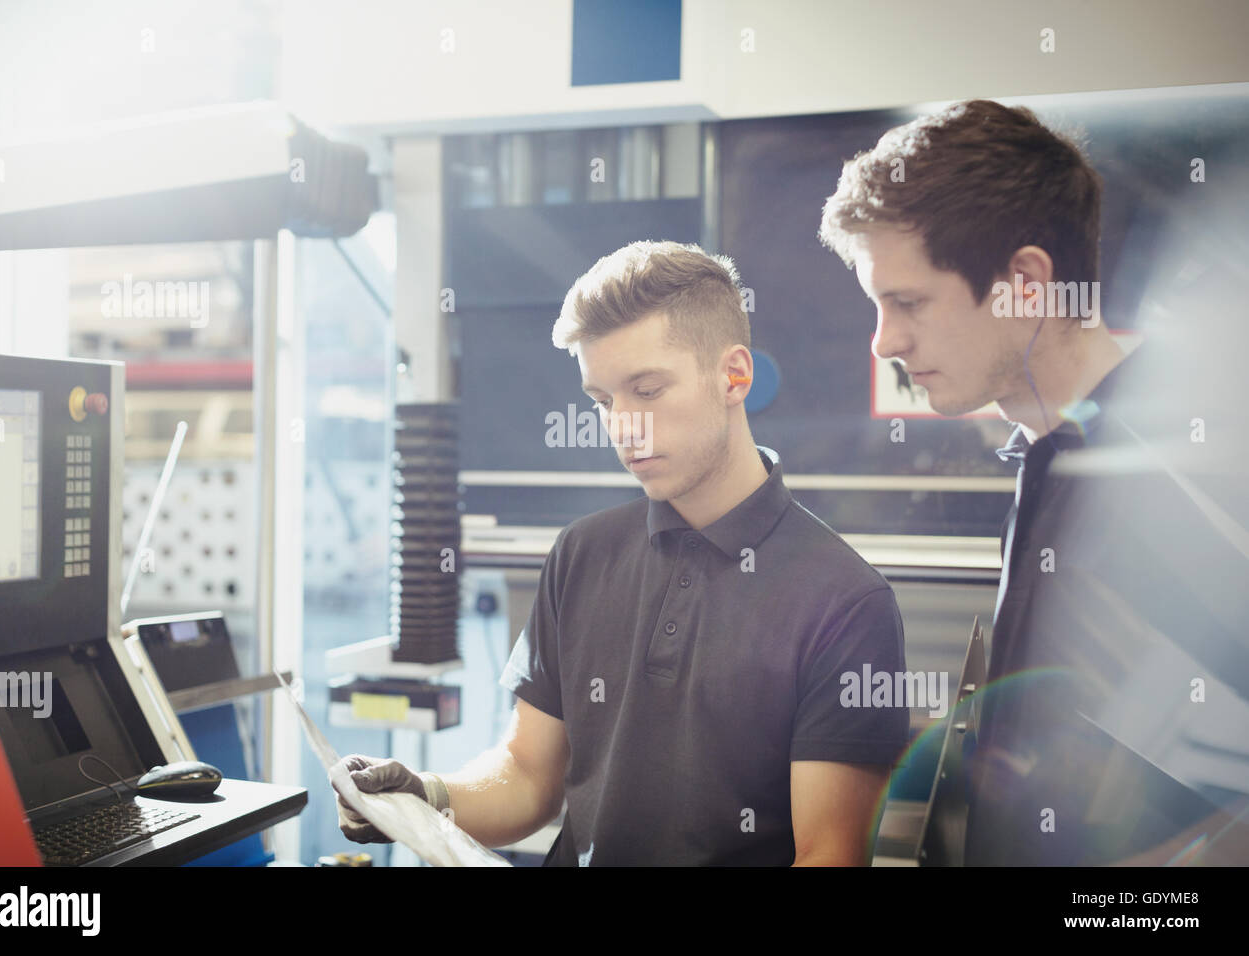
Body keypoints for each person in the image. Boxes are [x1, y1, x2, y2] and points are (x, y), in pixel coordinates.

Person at [335, 240, 911, 865]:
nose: (623, 428)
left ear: (734, 375)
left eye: (647, 389)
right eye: (604, 401)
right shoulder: (581, 554)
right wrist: (423, 797)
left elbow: (828, 856)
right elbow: (529, 777)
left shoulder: (846, 604)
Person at [818, 98, 1249, 865]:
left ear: (1024, 281)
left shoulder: (1171, 478)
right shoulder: (1052, 457)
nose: (884, 340)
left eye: (907, 302)